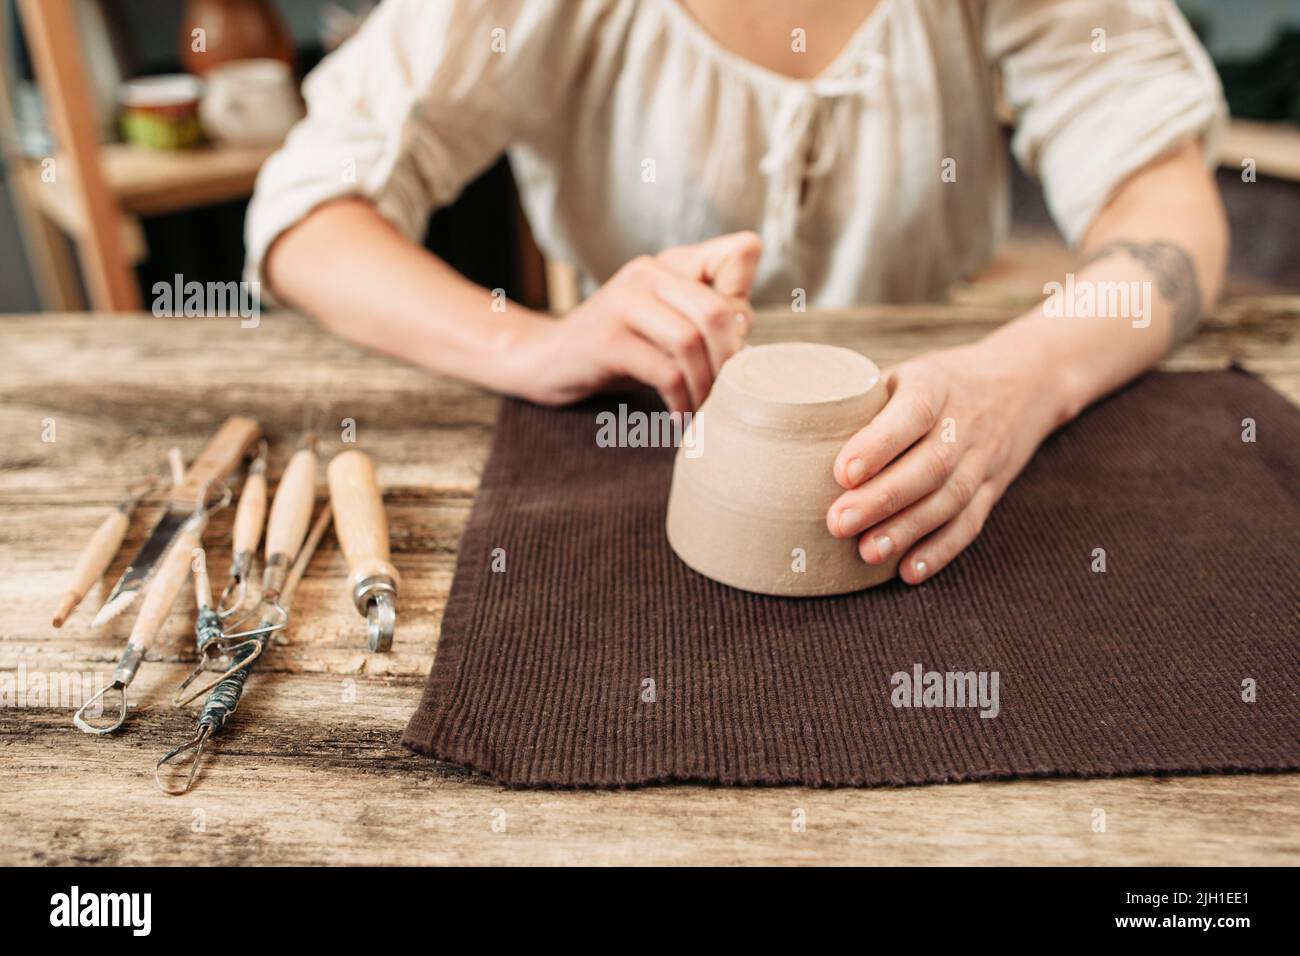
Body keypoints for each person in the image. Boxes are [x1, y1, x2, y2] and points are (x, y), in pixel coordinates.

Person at [247, 0, 1228, 585]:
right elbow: (304, 216)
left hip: (944, 446)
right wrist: (531, 344)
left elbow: (1165, 207)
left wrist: (1021, 381)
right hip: (632, 448)